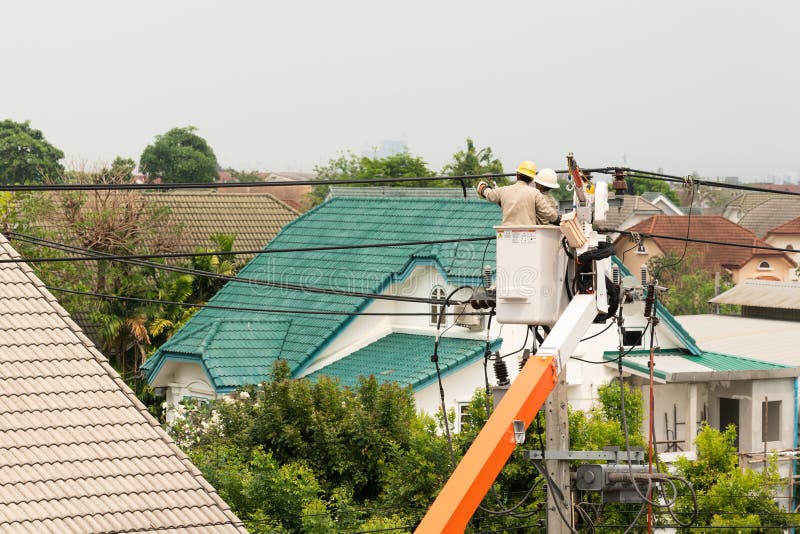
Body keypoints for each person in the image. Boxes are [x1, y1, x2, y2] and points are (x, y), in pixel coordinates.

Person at [477, 161, 560, 225]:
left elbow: (490, 195)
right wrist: (561, 221)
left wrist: (483, 188)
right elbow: (549, 214)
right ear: (532, 179)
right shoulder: (535, 194)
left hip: (506, 235)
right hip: (529, 237)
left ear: (517, 175)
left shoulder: (504, 190)